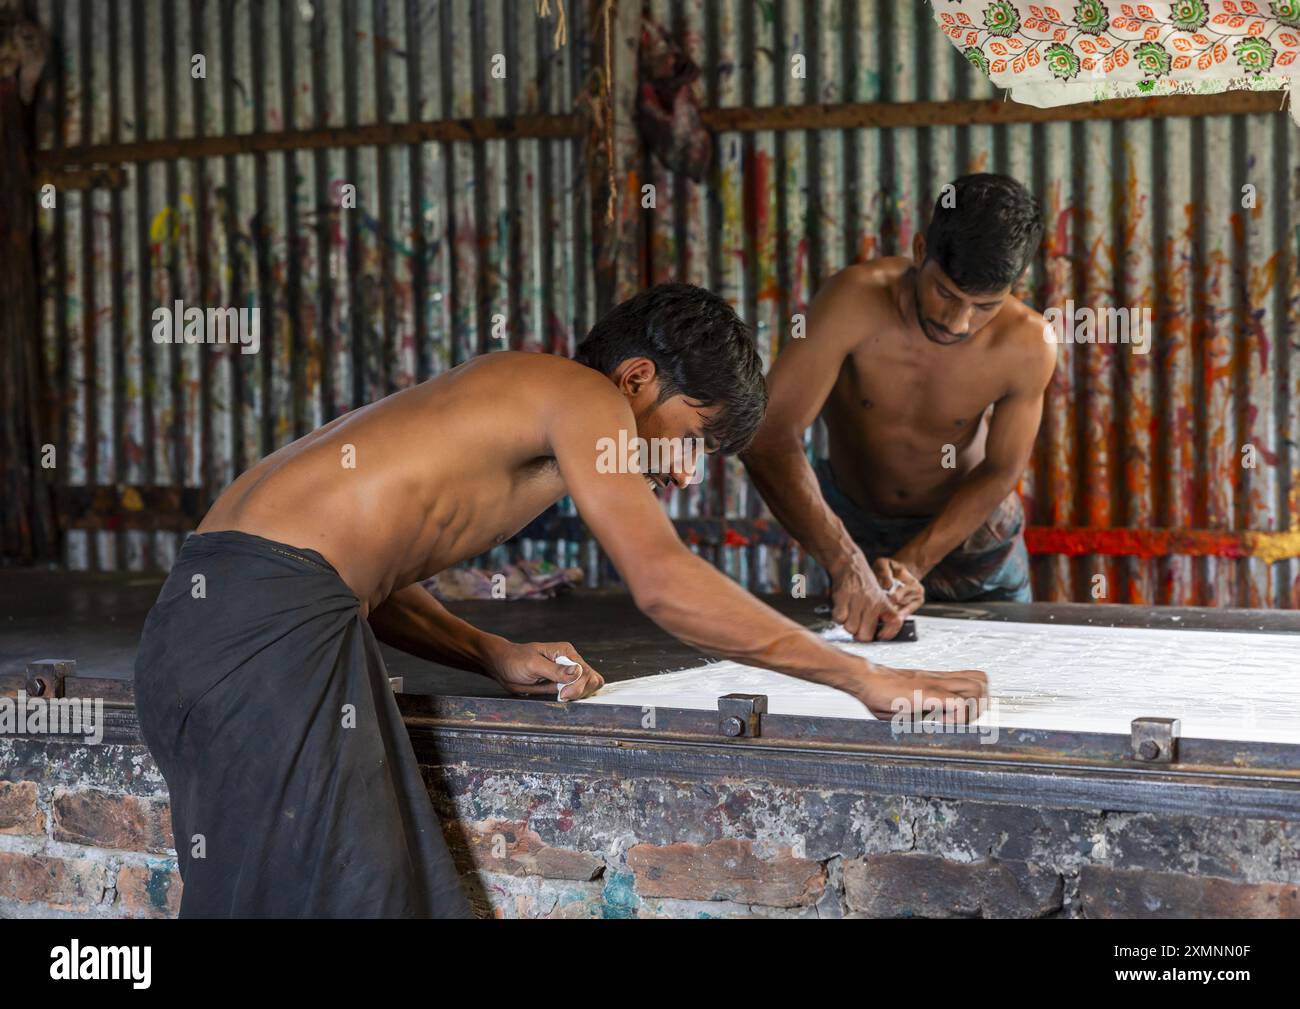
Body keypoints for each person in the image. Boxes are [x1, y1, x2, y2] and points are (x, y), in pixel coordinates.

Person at [134, 282, 987, 918]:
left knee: (338, 894)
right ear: (638, 378)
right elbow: (662, 579)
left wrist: (489, 651)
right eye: (691, 434)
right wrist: (860, 679)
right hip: (256, 631)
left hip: (219, 620)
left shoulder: (519, 409)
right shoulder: (584, 398)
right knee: (341, 901)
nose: (685, 472)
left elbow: (358, 575)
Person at [742, 174, 1055, 642]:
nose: (958, 321)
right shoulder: (851, 301)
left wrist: (915, 561)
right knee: (844, 689)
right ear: (919, 248)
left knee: (1008, 678)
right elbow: (768, 433)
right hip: (853, 531)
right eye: (945, 293)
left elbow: (1000, 470)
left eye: (984, 305)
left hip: (970, 535)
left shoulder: (1029, 343)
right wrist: (844, 559)